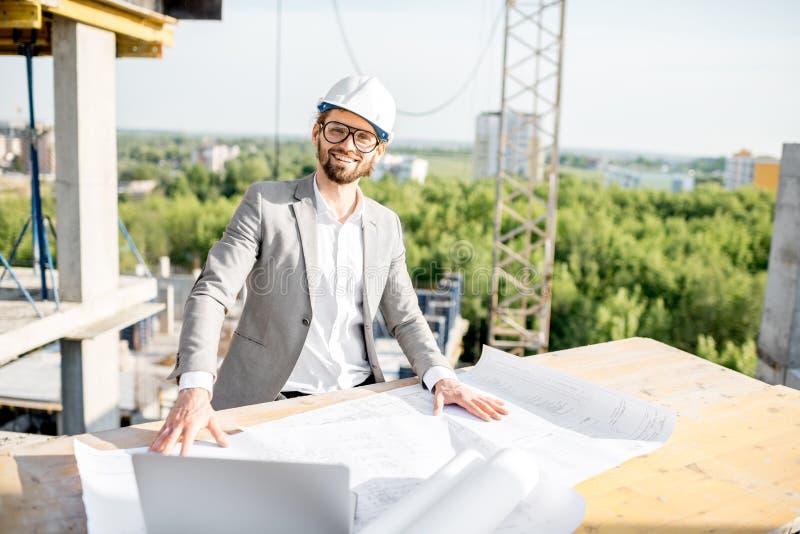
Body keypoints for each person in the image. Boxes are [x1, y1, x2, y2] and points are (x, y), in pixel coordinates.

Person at [149, 75, 508, 456]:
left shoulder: (386, 225)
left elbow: (405, 318)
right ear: (317, 132)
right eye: (337, 130)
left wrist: (441, 378)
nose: (347, 146)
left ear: (379, 151)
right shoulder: (266, 204)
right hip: (268, 401)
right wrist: (195, 386)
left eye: (363, 137)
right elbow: (213, 291)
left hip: (356, 404)